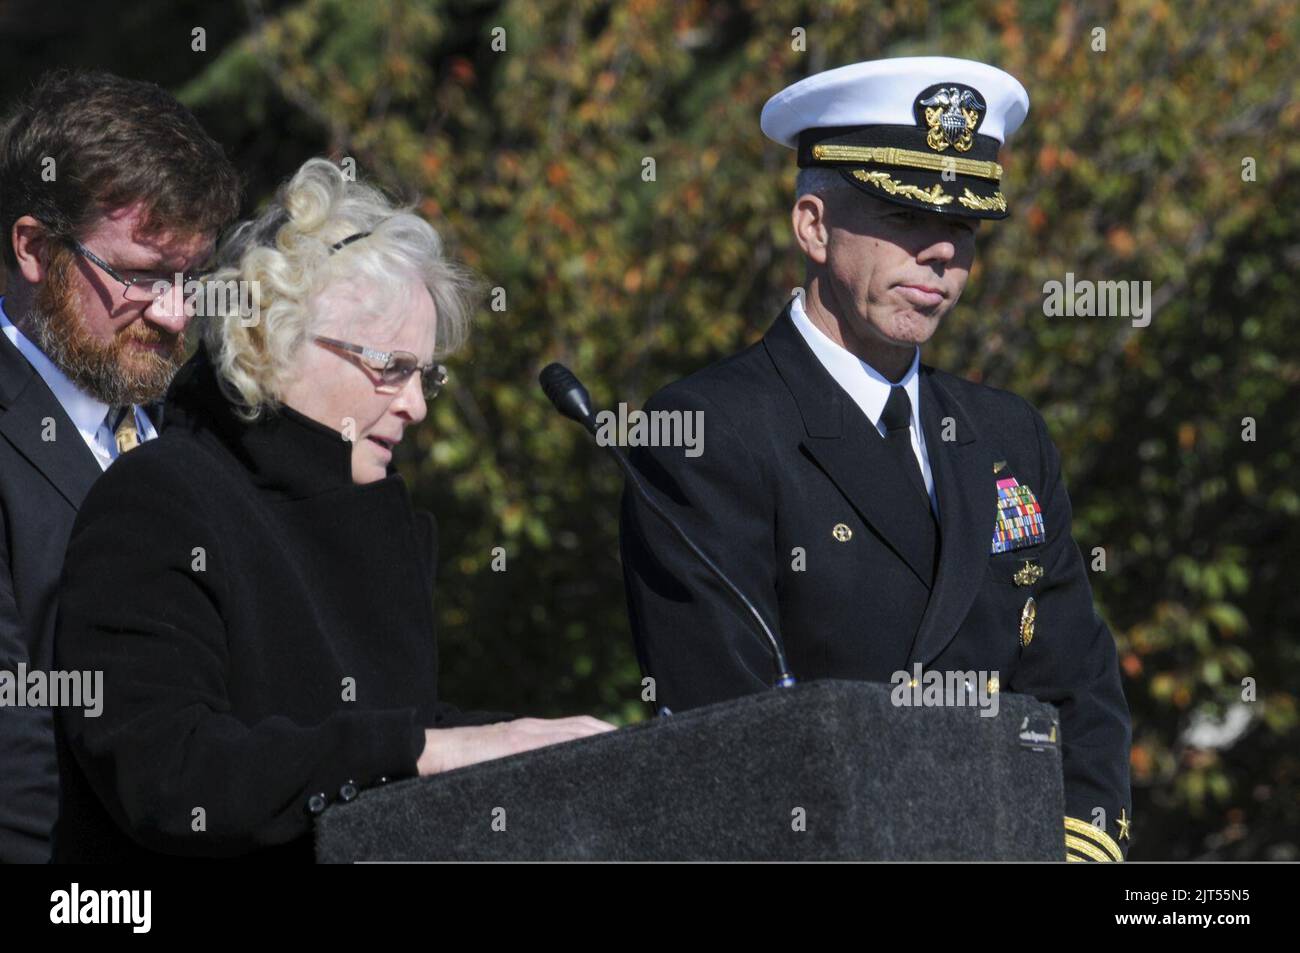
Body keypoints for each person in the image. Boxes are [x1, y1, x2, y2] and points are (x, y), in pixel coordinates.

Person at [620, 57, 1132, 862]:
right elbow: (733, 734)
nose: (940, 254)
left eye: (963, 229)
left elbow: (1080, 689)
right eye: (904, 216)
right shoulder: (707, 431)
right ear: (814, 227)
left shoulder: (1008, 435)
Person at [53, 158, 613, 861]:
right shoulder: (159, 499)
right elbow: (171, 774)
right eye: (392, 367)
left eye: (426, 374)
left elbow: (385, 731)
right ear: (278, 342)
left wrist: (556, 746)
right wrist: (425, 748)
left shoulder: (374, 511)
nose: (415, 405)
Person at [0, 69, 240, 863]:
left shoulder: (202, 428)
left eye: (189, 278)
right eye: (139, 275)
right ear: (34, 247)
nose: (175, 313)